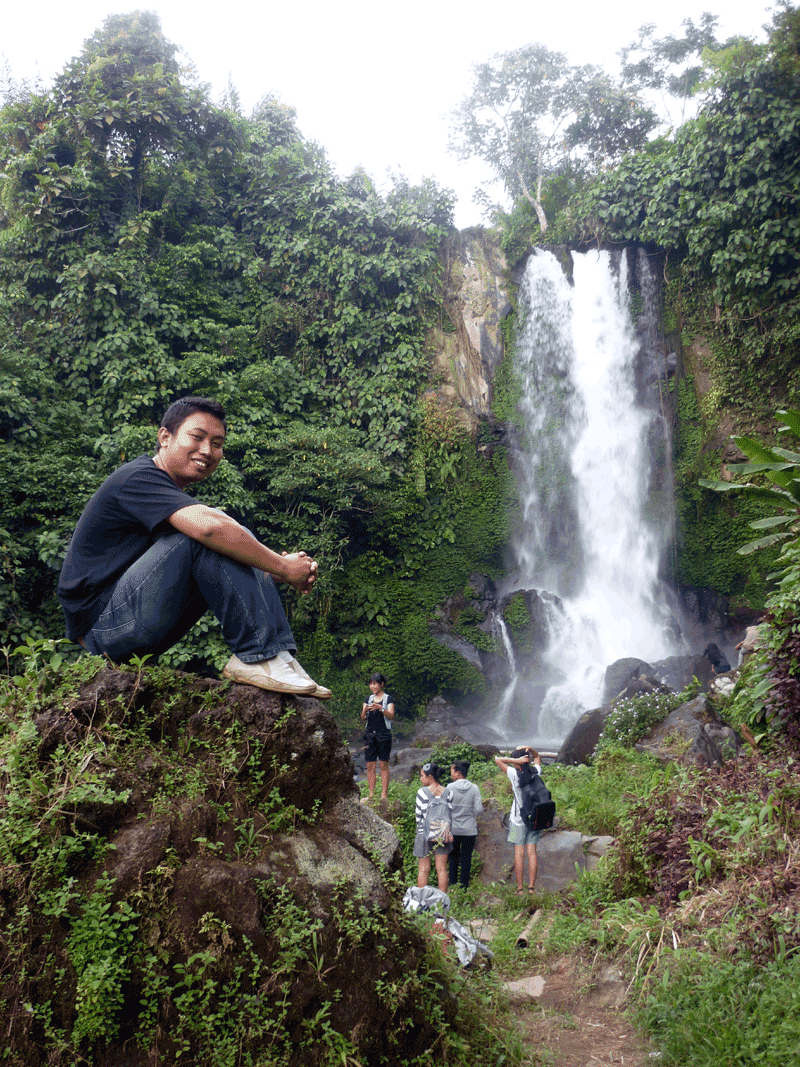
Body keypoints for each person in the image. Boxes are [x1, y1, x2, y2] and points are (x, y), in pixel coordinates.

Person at [57, 396, 330, 698]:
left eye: (217, 443)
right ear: (164, 437)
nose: (207, 450)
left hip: (129, 625)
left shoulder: (164, 494)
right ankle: (258, 655)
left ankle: (280, 657)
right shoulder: (138, 478)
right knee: (212, 532)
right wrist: (284, 567)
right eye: (197, 437)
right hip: (104, 630)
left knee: (230, 539)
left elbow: (207, 556)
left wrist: (272, 571)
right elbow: (210, 530)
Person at [495, 746, 542, 895]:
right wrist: (530, 750)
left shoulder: (514, 774)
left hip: (518, 819)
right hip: (535, 818)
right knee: (532, 853)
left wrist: (515, 760)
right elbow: (538, 757)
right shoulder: (536, 772)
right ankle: (532, 888)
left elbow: (497, 759)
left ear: (517, 761)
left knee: (519, 854)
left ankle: (520, 889)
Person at [413, 763, 453, 893]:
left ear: (430, 777)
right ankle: (442, 901)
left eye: (422, 776)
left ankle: (421, 902)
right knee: (441, 869)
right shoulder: (448, 792)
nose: (420, 779)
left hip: (423, 833)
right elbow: (450, 813)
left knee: (423, 869)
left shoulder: (422, 792)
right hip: (443, 832)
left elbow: (418, 816)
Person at [444, 760, 483, 890]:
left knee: (453, 857)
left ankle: (453, 885)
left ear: (458, 772)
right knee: (466, 858)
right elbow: (478, 810)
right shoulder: (475, 788)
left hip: (453, 829)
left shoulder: (449, 787)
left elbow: (445, 808)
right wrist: (470, 815)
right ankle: (464, 888)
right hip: (469, 829)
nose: (451, 774)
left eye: (452, 771)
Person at [360, 672, 395, 800]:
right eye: (371, 684)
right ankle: (371, 794)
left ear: (382, 684)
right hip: (370, 735)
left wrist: (381, 708)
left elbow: (391, 715)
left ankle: (384, 795)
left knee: (383, 764)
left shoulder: (388, 699)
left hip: (384, 735)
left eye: (375, 683)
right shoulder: (368, 699)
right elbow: (363, 718)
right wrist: (365, 710)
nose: (372, 686)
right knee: (370, 765)